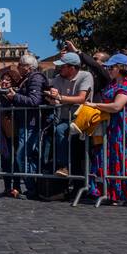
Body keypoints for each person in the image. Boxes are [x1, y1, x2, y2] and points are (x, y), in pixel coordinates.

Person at [86, 54, 127, 204]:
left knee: (120, 156)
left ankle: (123, 192)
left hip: (120, 124)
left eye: (112, 67)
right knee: (106, 156)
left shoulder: (126, 84)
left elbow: (117, 106)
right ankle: (108, 191)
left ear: (121, 68)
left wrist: (95, 105)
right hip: (108, 124)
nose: (109, 70)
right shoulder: (112, 84)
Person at [0, 54, 47, 198]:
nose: (18, 67)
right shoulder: (28, 79)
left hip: (31, 123)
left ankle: (33, 189)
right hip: (24, 123)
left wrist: (13, 96)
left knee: (23, 157)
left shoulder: (36, 78)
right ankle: (31, 189)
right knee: (23, 157)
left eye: (20, 65)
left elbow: (34, 100)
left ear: (28, 67)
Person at [44, 52, 95, 189]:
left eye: (62, 67)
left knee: (80, 153)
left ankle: (85, 184)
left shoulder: (85, 76)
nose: (59, 69)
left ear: (72, 68)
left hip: (83, 119)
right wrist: (49, 96)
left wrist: (59, 97)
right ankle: (63, 167)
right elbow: (49, 91)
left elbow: (82, 98)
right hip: (66, 118)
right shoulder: (57, 78)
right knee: (58, 131)